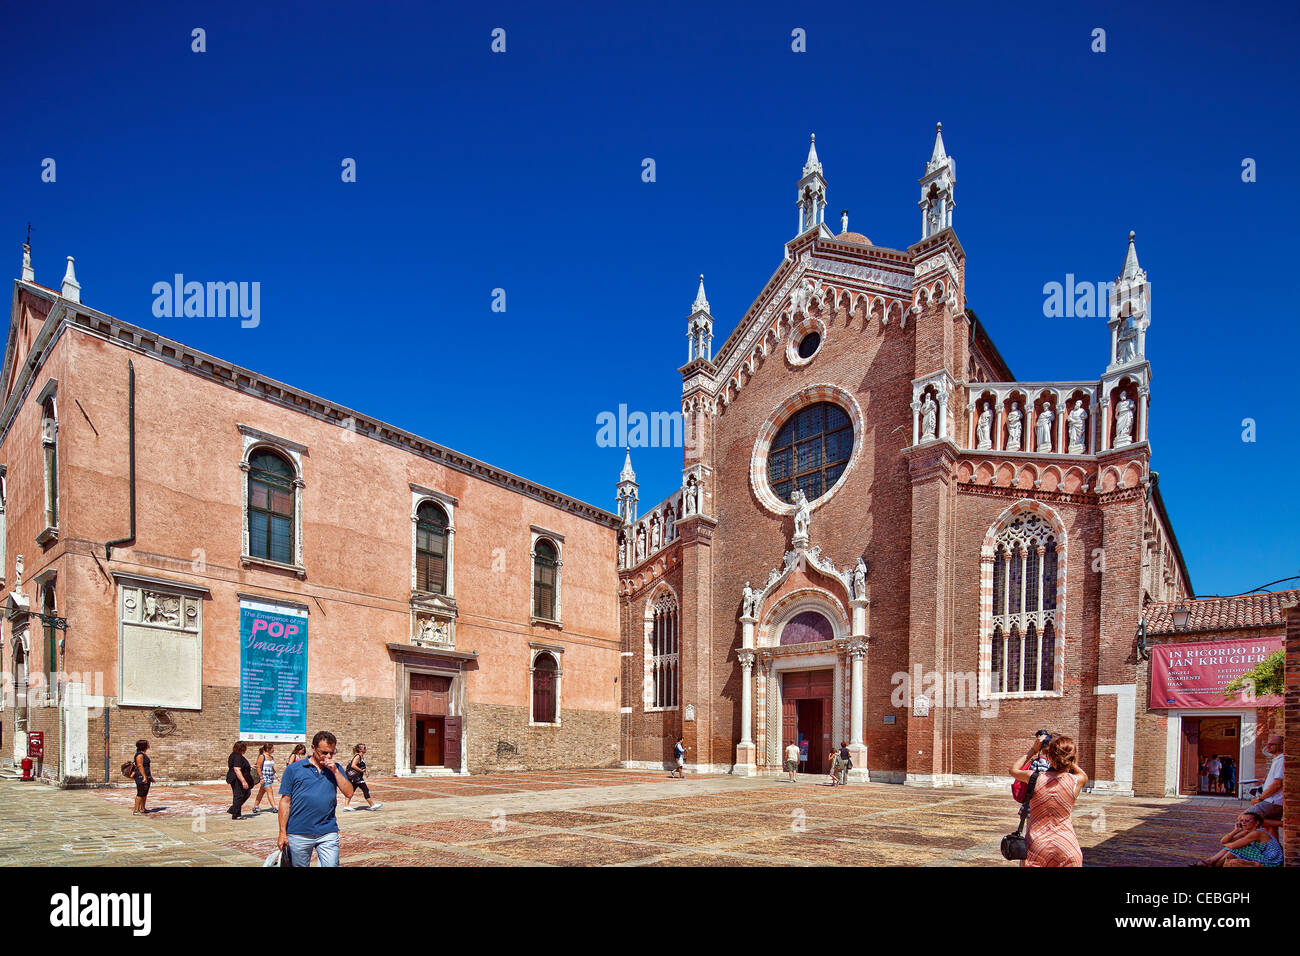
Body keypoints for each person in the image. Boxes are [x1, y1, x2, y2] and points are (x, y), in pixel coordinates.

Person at [277, 730, 355, 867]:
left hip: (327, 831)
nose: (328, 756)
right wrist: (282, 832)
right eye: (324, 752)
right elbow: (285, 801)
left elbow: (349, 793)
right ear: (313, 748)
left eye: (332, 752)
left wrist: (335, 771)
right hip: (299, 832)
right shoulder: (294, 769)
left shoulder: (336, 768)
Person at [1008, 734, 1088, 867]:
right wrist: (1070, 760)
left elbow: (1013, 770)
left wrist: (1033, 750)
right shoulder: (1077, 780)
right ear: (1072, 758)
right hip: (1067, 845)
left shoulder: (1033, 777)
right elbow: (1083, 774)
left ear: (1049, 757)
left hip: (1037, 846)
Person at [1193, 808, 1283, 867]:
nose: (1243, 823)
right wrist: (1235, 831)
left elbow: (1231, 845)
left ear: (1256, 823)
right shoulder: (1246, 832)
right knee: (1233, 851)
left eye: (1247, 821)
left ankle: (1210, 862)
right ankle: (1211, 862)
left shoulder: (1257, 833)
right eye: (1242, 821)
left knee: (1238, 848)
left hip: (1272, 861)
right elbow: (1224, 841)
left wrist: (1228, 844)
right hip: (1264, 857)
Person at [1250, 734, 1284, 831]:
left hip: (1272, 801)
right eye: (1268, 744)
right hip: (1273, 800)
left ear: (1281, 746)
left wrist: (1259, 798)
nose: (1268, 746)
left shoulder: (1281, 760)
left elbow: (1277, 784)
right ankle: (1275, 846)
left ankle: (1284, 824)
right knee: (1271, 828)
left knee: (1246, 818)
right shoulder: (1277, 760)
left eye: (1272, 744)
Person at [341, 743, 383, 811]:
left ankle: (346, 806)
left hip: (356, 778)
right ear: (361, 750)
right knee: (365, 789)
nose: (365, 749)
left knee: (351, 791)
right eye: (364, 748)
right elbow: (353, 765)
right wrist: (362, 771)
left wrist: (365, 771)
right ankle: (372, 805)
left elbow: (361, 766)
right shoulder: (358, 756)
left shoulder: (361, 756)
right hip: (357, 778)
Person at [227, 741, 253, 820]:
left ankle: (234, 809)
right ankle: (236, 814)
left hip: (234, 778)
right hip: (237, 779)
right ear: (242, 748)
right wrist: (243, 781)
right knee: (239, 795)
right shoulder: (238, 756)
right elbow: (237, 769)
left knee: (246, 793)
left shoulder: (234, 755)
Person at [248, 744, 277, 814]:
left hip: (270, 776)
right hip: (264, 776)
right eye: (272, 748)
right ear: (268, 749)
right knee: (270, 791)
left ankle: (255, 806)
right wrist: (261, 778)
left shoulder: (271, 757)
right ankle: (274, 807)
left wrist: (276, 775)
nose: (274, 750)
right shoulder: (262, 756)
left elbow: (272, 767)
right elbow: (258, 767)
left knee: (261, 792)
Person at [132, 739, 154, 815]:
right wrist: (144, 776)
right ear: (144, 745)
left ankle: (142, 808)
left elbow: (147, 766)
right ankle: (136, 810)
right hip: (140, 776)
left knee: (145, 793)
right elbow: (139, 765)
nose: (149, 744)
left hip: (146, 776)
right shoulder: (139, 755)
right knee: (140, 793)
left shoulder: (143, 754)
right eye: (148, 743)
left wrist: (150, 777)